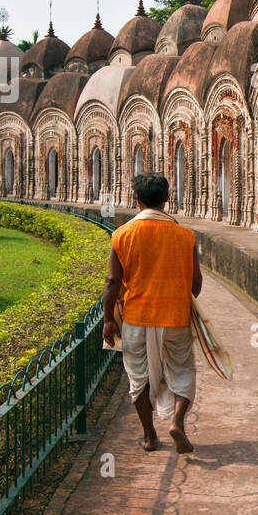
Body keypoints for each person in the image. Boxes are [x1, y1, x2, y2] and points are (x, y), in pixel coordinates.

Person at [102, 172, 201, 453]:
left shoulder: (122, 234)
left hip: (136, 318)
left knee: (138, 379)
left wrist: (109, 319)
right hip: (175, 318)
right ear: (167, 199)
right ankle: (177, 423)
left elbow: (112, 282)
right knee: (183, 371)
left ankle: (149, 436)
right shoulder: (185, 235)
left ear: (137, 201)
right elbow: (196, 284)